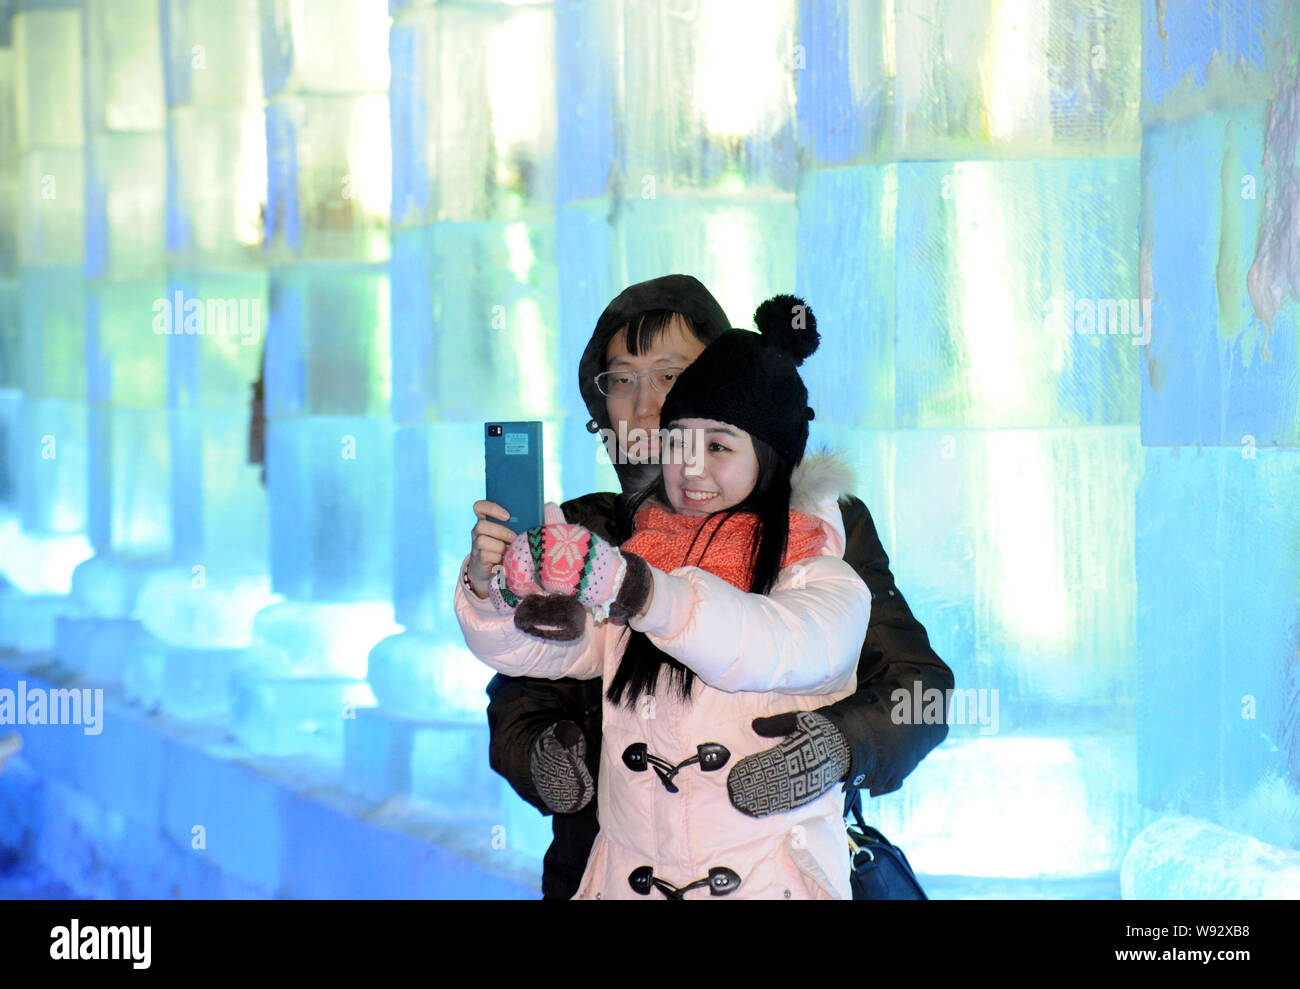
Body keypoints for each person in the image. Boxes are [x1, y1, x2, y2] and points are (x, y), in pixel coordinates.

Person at [481, 274, 953, 899]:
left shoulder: (815, 526)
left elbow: (920, 688)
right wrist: (543, 755)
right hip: (609, 870)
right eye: (622, 378)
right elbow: (523, 688)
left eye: (670, 375)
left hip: (771, 867)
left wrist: (841, 746)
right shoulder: (582, 529)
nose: (645, 404)